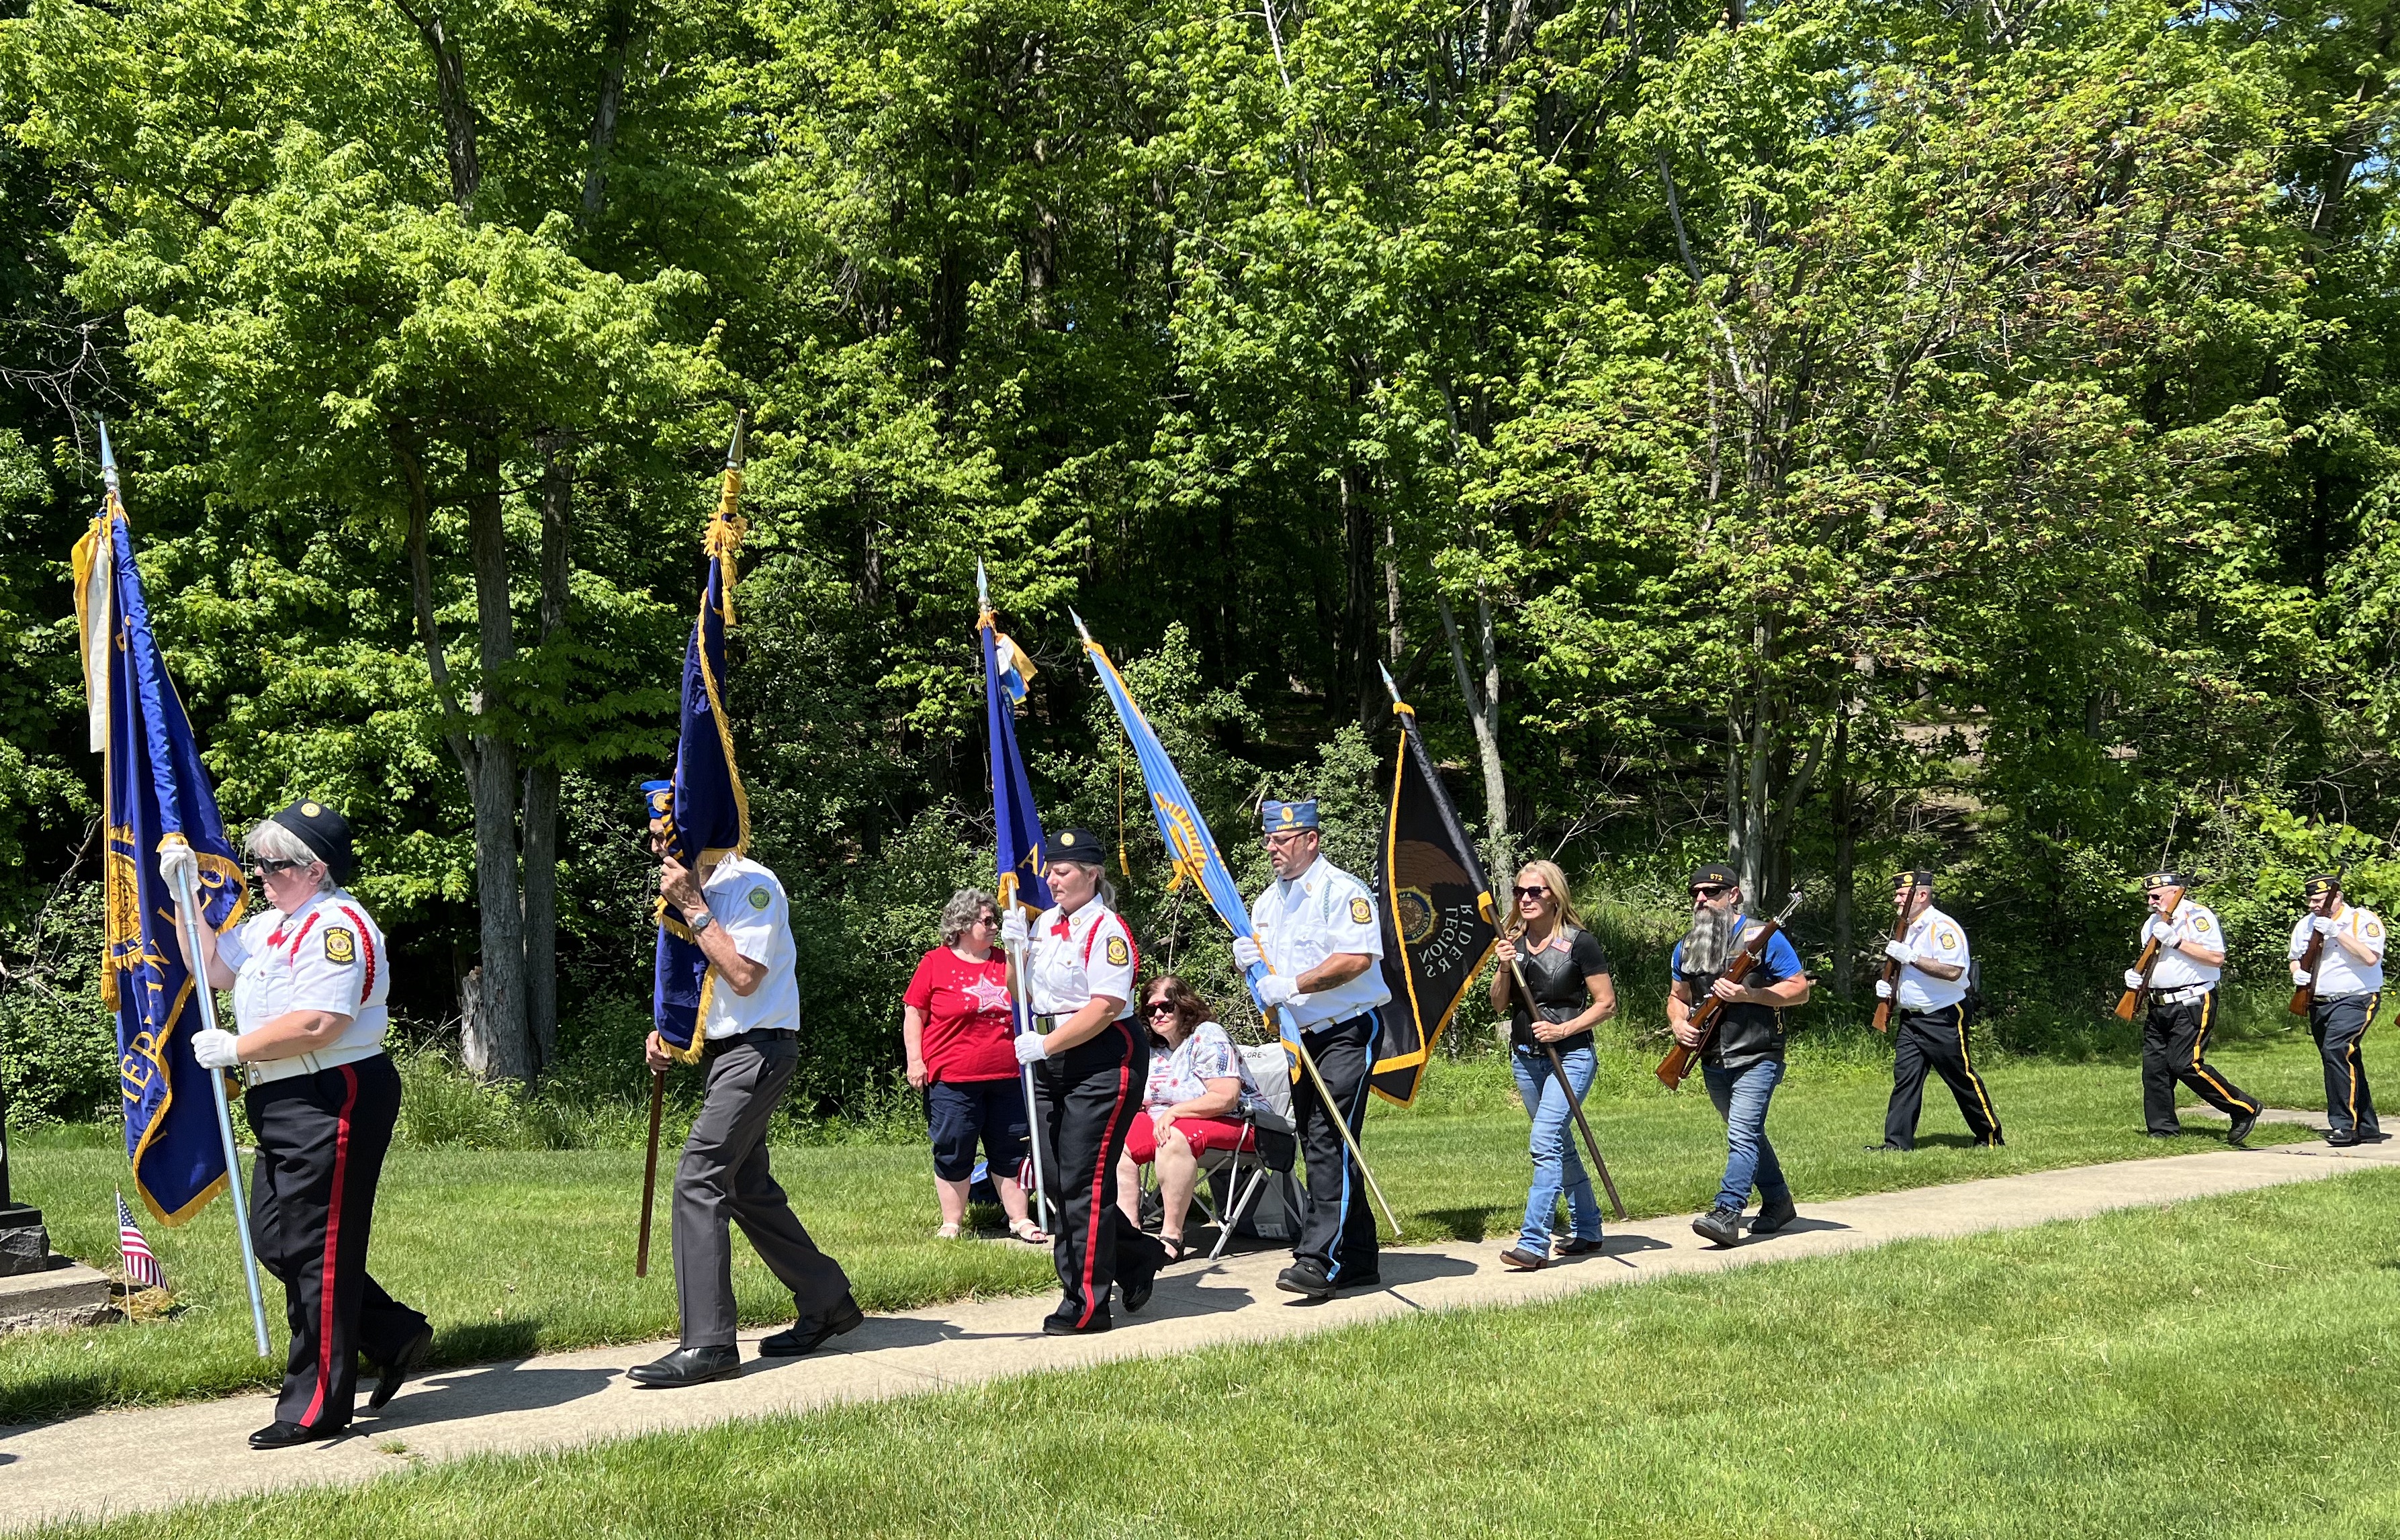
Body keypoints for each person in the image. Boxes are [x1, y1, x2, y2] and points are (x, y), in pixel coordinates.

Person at [179, 799, 433, 1449]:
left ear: (315, 869)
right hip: (282, 1095)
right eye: (257, 862)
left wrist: (237, 1049)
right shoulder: (270, 925)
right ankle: (391, 1332)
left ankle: (317, 1403)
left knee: (317, 1250)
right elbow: (210, 968)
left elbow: (322, 1022)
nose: (261, 874)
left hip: (333, 1089)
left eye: (274, 864)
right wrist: (181, 893)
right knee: (278, 1241)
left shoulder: (336, 926)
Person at [629, 782, 861, 1388]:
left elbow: (742, 974)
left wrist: (692, 905)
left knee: (699, 1174)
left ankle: (708, 1343)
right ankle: (827, 1299)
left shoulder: (749, 883)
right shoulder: (690, 886)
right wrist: (671, 1037)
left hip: (759, 1048)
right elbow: (698, 985)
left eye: (665, 835)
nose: (657, 848)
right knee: (746, 1185)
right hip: (728, 1049)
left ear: (694, 828)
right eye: (654, 838)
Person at [1002, 827, 1167, 1334]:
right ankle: (1137, 1253)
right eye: (1049, 869)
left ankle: (1085, 1302)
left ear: (1092, 873)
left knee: (1082, 1180)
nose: (1051, 879)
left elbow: (1105, 1005)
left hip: (1098, 1056)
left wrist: (1047, 1045)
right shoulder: (1045, 923)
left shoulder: (1106, 929)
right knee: (1055, 1179)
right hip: (1050, 1057)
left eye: (1063, 870)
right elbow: (1021, 994)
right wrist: (1014, 953)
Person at [1234, 798, 1391, 1300]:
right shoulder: (1265, 903)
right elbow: (1267, 970)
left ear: (1311, 839)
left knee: (1329, 1139)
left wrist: (1292, 984)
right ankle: (1359, 1257)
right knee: (1320, 1140)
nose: (1272, 847)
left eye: (1282, 839)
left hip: (1346, 1028)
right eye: (1269, 839)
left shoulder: (1341, 892)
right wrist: (1251, 965)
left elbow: (1357, 958)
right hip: (1300, 1039)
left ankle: (1317, 1257)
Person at [1669, 863, 1810, 1247]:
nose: (1701, 899)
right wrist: (1680, 1024)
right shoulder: (1687, 945)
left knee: (1742, 1133)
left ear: (1733, 895)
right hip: (1712, 1057)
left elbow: (1800, 989)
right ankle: (1779, 1201)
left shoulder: (1764, 938)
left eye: (1711, 893)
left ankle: (1727, 1212)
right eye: (1695, 893)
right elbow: (1677, 998)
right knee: (1747, 1134)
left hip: (1758, 1053)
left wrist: (1752, 995)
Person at [1486, 860, 1615, 1270]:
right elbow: (1498, 1003)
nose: (1525, 898)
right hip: (1526, 1059)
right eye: (1520, 892)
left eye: (1535, 892)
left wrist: (1563, 1031)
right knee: (1560, 1144)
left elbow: (1606, 1004)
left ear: (1554, 896)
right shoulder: (1514, 943)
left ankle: (1533, 1241)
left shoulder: (1581, 944)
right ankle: (1589, 1229)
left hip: (1572, 1056)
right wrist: (1504, 965)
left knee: (1544, 1144)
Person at [902, 889, 1045, 1243]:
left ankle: (1020, 1219)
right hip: (952, 1077)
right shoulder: (935, 962)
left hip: (1009, 1076)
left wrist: (1018, 951)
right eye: (988, 920)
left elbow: (1029, 1000)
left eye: (995, 920)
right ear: (963, 924)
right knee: (954, 1146)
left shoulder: (1006, 960)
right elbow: (913, 1014)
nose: (995, 926)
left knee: (1011, 1147)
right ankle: (953, 1221)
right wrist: (915, 1060)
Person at [1115, 974, 1259, 1261]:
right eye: (1150, 1008)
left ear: (1184, 1005)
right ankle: (1128, 1235)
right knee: (1117, 1141)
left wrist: (1174, 1112)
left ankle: (1172, 1235)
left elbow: (1225, 1096)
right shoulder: (1150, 1047)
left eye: (1166, 1006)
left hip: (1236, 1121)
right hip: (1166, 1119)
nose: (1158, 1013)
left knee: (1172, 1138)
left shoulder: (1208, 1035)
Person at [1871, 870, 2002, 1151]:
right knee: (1905, 1080)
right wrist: (1889, 991)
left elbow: (1955, 972)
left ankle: (1990, 1136)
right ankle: (1896, 1144)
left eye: (1901, 895)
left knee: (1961, 1078)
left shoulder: (1942, 927)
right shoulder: (1906, 927)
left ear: (1922, 895)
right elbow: (1908, 978)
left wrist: (1913, 958)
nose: (1895, 900)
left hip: (1943, 1016)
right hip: (1911, 1018)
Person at [2127, 871, 2260, 1144]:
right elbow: (2154, 962)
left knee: (2185, 1063)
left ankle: (2243, 1107)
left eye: (2157, 896)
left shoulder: (2197, 917)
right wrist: (2136, 979)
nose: (2151, 902)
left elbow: (2216, 958)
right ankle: (2163, 1131)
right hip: (2158, 1004)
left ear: (2175, 893)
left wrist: (2176, 941)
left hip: (2193, 1001)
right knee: (2155, 1070)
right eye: (2149, 897)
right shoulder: (2152, 922)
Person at [2288, 872, 2385, 1146]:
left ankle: (2343, 1125)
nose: (2313, 905)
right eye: (2310, 900)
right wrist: (2297, 974)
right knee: (2343, 1060)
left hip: (2357, 998)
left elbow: (2369, 958)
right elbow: (2295, 959)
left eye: (2319, 900)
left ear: (2337, 897)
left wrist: (2337, 933)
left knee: (2337, 1050)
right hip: (2319, 1002)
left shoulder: (2361, 920)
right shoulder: (2305, 924)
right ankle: (2367, 1125)